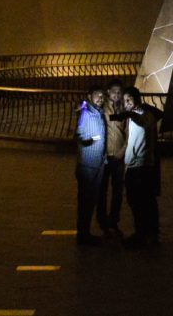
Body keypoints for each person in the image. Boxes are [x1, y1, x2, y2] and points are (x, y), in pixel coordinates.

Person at [118, 86, 161, 247]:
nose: (127, 103)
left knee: (140, 201)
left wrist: (128, 113)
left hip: (140, 166)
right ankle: (147, 233)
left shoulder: (143, 115)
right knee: (141, 201)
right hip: (136, 164)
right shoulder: (138, 115)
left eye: (129, 100)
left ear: (137, 99)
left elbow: (142, 122)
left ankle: (144, 234)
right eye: (125, 101)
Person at [73, 86, 109, 244]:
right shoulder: (86, 112)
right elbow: (78, 132)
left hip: (98, 163)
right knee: (86, 200)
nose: (100, 98)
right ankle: (83, 234)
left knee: (91, 199)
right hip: (87, 164)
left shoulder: (99, 112)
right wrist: (86, 141)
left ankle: (85, 232)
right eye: (97, 95)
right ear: (89, 96)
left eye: (102, 96)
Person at [99, 79, 128, 239]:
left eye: (119, 92)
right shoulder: (102, 107)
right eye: (114, 92)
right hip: (104, 155)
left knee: (117, 191)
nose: (117, 95)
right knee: (102, 191)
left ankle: (113, 221)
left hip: (118, 155)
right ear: (108, 92)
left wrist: (123, 150)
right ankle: (103, 221)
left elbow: (128, 131)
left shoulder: (124, 107)